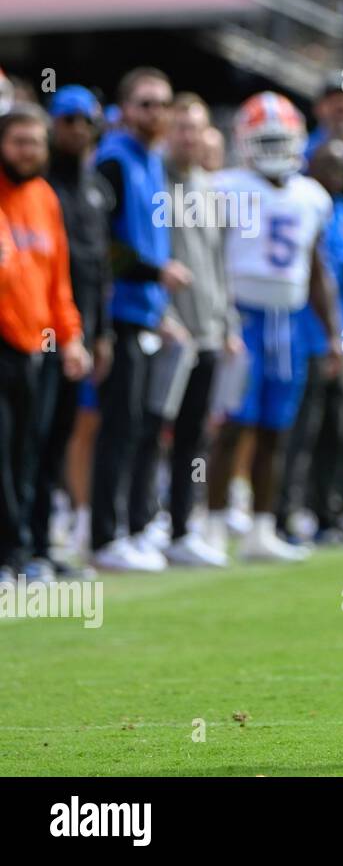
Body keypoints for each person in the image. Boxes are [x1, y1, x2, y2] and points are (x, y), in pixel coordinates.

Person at [204, 92, 342, 563]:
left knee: (275, 430)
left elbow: (318, 270)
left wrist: (333, 335)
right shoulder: (224, 187)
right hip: (241, 316)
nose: (272, 148)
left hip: (290, 318)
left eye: (279, 140)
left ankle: (261, 529)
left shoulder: (312, 196)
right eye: (263, 140)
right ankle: (212, 525)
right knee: (231, 426)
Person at [131, 93, 242, 567]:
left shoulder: (211, 190)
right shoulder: (153, 182)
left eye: (196, 128)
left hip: (207, 331)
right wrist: (161, 315)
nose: (189, 136)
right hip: (168, 331)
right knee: (150, 431)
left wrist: (227, 322)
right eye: (181, 127)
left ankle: (181, 526)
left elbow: (218, 264)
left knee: (195, 437)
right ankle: (137, 524)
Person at [91, 68, 193, 572]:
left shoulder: (151, 161)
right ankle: (106, 537)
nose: (155, 113)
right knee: (119, 427)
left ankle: (132, 527)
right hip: (118, 314)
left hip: (145, 313)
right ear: (125, 108)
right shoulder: (112, 161)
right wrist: (155, 273)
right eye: (145, 104)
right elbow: (100, 244)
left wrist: (162, 310)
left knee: (141, 426)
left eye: (162, 104)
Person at [0, 105, 92, 582]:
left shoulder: (45, 197)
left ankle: (29, 548)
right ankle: (10, 554)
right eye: (18, 141)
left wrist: (72, 335)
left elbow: (58, 281)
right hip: (3, 343)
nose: (27, 151)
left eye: (35, 142)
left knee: (31, 452)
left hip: (40, 344)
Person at [276, 139, 343, 546]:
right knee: (300, 432)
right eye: (329, 167)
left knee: (337, 432)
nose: (337, 177)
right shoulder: (302, 205)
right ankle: (286, 517)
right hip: (305, 337)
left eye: (342, 170)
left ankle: (329, 515)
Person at [29, 86, 113, 579]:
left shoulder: (98, 187)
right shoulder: (41, 186)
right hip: (39, 333)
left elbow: (99, 266)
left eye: (85, 120)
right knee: (32, 441)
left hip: (78, 334)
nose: (77, 128)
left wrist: (98, 333)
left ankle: (41, 543)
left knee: (57, 439)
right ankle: (26, 545)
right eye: (67, 120)